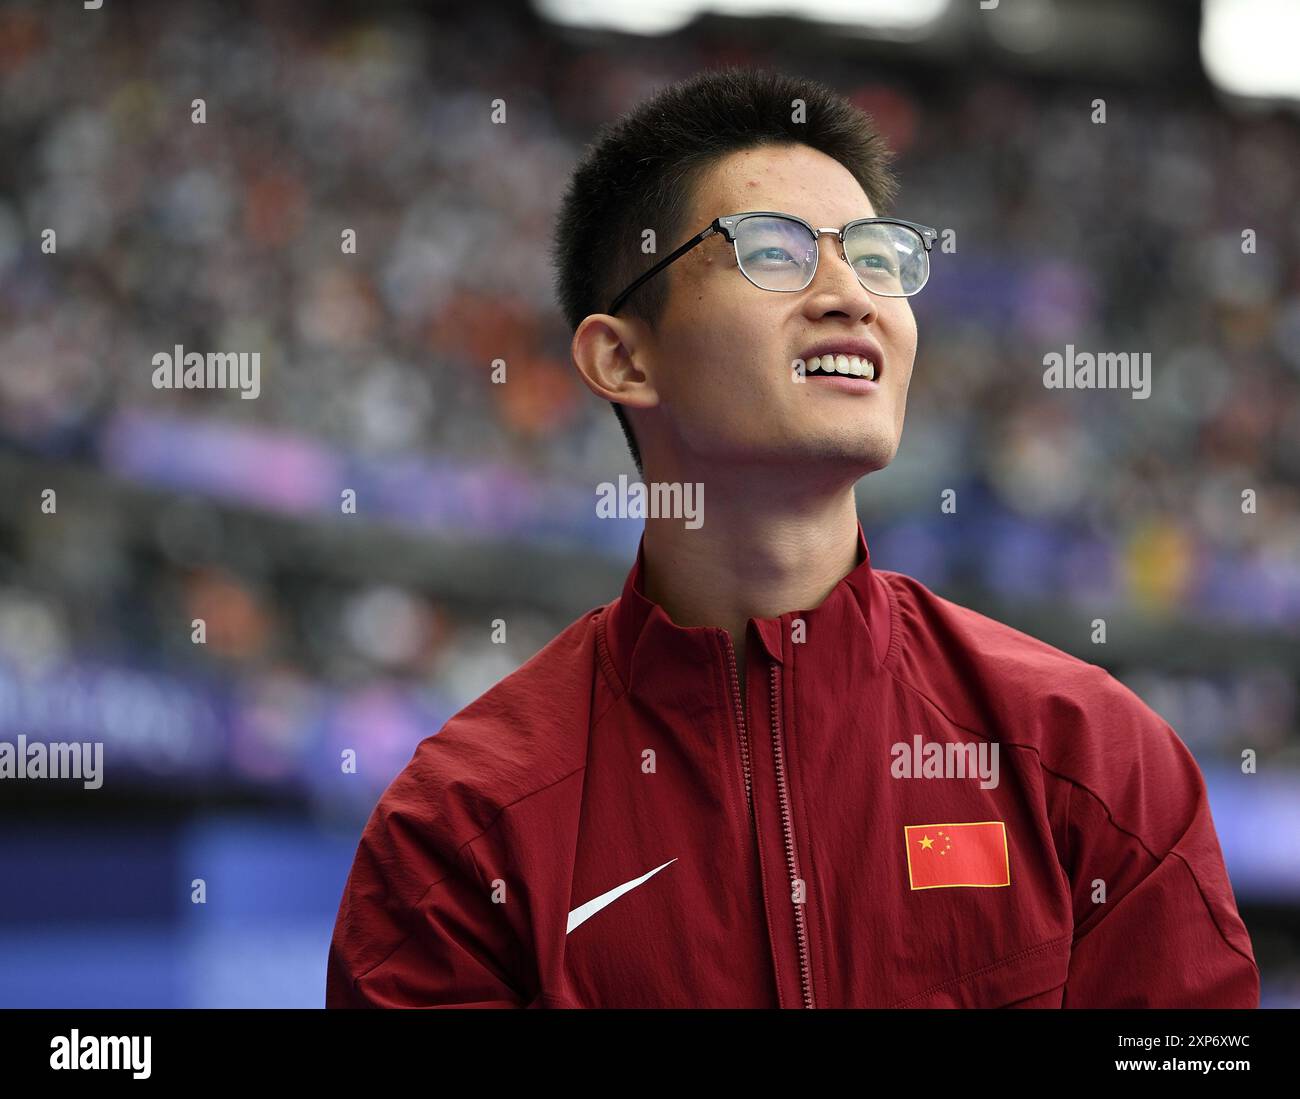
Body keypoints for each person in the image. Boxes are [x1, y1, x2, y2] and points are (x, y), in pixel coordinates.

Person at [326, 66, 1259, 1008]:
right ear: (622, 355)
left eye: (879, 257)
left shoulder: (1092, 761)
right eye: (772, 250)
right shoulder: (461, 832)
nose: (852, 295)